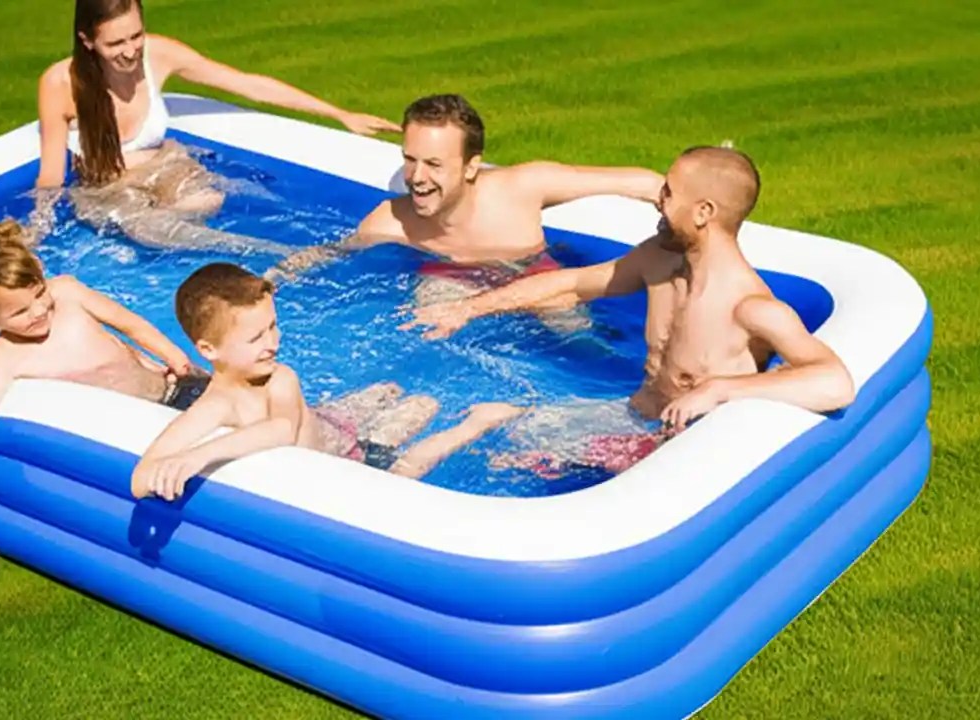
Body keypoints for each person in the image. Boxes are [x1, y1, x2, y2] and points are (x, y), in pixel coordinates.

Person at [404, 146, 857, 475]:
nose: (657, 201)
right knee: (494, 424)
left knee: (520, 469)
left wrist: (718, 388)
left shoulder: (750, 308)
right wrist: (469, 309)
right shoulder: (657, 262)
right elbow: (572, 285)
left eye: (668, 193)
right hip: (630, 417)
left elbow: (835, 382)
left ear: (703, 212)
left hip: (678, 455)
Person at [265, 93, 664, 331]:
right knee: (425, 318)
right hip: (448, 278)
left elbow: (638, 183)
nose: (417, 178)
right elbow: (332, 253)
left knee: (576, 338)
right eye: (410, 160)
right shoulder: (391, 220)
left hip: (534, 274)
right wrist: (273, 277)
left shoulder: (524, 187)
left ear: (472, 166)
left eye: (434, 165)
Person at [0, 220, 205, 585]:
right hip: (150, 428)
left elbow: (129, 324)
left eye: (38, 293)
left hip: (173, 389)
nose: (38, 311)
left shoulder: (67, 293)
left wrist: (175, 357)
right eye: (19, 312)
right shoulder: (5, 359)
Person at [130, 263, 521, 501]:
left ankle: (476, 422)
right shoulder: (214, 405)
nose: (274, 343)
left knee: (406, 463)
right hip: (330, 436)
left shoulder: (280, 377)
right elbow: (140, 479)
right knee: (420, 409)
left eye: (273, 327)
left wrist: (198, 455)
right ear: (207, 349)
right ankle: (420, 405)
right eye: (256, 338)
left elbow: (282, 429)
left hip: (342, 447)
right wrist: (167, 468)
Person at [33, 0, 400, 251]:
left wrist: (339, 114)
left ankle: (285, 250)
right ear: (87, 41)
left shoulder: (159, 55)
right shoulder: (60, 83)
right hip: (109, 190)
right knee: (149, 230)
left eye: (136, 36)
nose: (131, 50)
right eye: (115, 43)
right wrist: (38, 227)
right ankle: (270, 254)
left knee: (213, 198)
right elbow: (51, 176)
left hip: (166, 168)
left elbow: (247, 84)